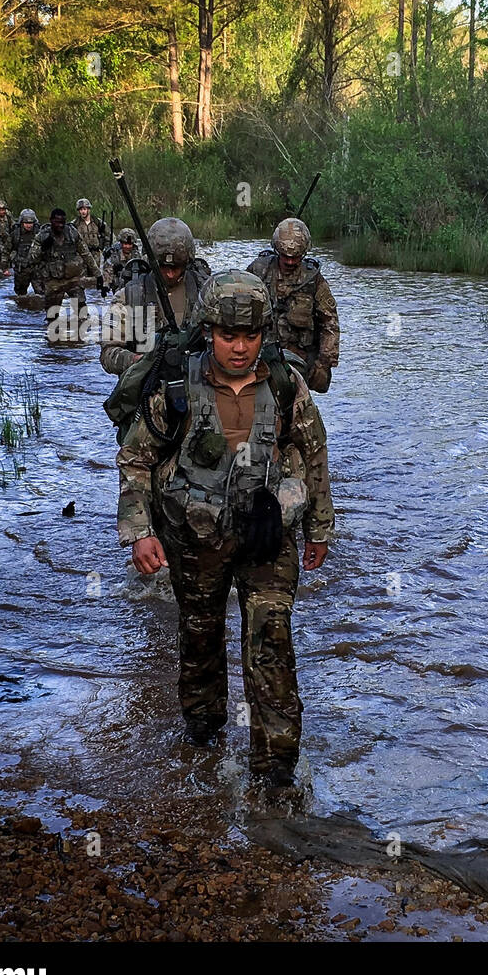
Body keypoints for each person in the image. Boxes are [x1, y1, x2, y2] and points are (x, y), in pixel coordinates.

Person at [116, 270, 334, 788]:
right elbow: (136, 460)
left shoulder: (285, 384)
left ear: (265, 334)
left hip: (266, 534)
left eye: (251, 336)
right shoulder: (176, 387)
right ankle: (203, 732)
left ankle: (276, 763)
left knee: (272, 638)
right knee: (200, 635)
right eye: (228, 336)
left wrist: (318, 527)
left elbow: (314, 450)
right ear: (209, 331)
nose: (239, 348)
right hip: (194, 537)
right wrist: (141, 531)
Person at [100, 217, 210, 376]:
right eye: (163, 267)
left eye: (176, 267)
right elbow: (108, 354)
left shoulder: (205, 293)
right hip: (146, 385)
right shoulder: (129, 297)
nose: (170, 274)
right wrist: (139, 361)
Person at [246, 218, 339, 393]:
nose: (290, 262)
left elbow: (330, 324)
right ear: (276, 250)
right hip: (260, 357)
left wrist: (324, 363)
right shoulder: (258, 271)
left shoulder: (314, 280)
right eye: (285, 257)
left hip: (298, 361)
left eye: (295, 258)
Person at [27, 207, 101, 316]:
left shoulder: (72, 233)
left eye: (62, 222)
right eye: (57, 222)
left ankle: (81, 331)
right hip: (53, 281)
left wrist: (98, 274)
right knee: (52, 316)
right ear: (51, 221)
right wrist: (43, 248)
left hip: (73, 279)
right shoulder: (42, 236)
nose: (60, 225)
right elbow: (31, 259)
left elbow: (86, 254)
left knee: (82, 313)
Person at [73, 197, 108, 278]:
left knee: (96, 277)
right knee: (82, 278)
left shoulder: (98, 222)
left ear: (89, 209)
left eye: (85, 209)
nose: (83, 211)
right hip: (81, 255)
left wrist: (106, 249)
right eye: (81, 209)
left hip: (95, 254)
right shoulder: (75, 224)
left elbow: (109, 236)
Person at [11, 209, 42, 296]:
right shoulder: (16, 234)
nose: (29, 225)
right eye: (26, 223)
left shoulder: (39, 232)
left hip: (37, 268)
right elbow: (7, 249)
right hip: (21, 268)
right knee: (20, 294)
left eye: (31, 223)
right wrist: (6, 266)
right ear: (21, 222)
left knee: (41, 293)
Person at [102, 227, 140, 293]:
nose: (127, 247)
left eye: (130, 244)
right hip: (119, 287)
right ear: (121, 243)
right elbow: (107, 270)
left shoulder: (136, 254)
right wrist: (105, 285)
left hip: (134, 286)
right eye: (125, 244)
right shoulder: (115, 255)